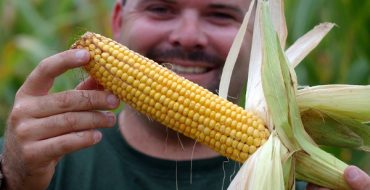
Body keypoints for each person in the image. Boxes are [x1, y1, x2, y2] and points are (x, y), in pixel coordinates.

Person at [0, 0, 369, 189]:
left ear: (259, 35)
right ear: (117, 21)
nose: (188, 35)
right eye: (160, 9)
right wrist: (13, 179)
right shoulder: (33, 159)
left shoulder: (305, 180)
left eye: (220, 15)